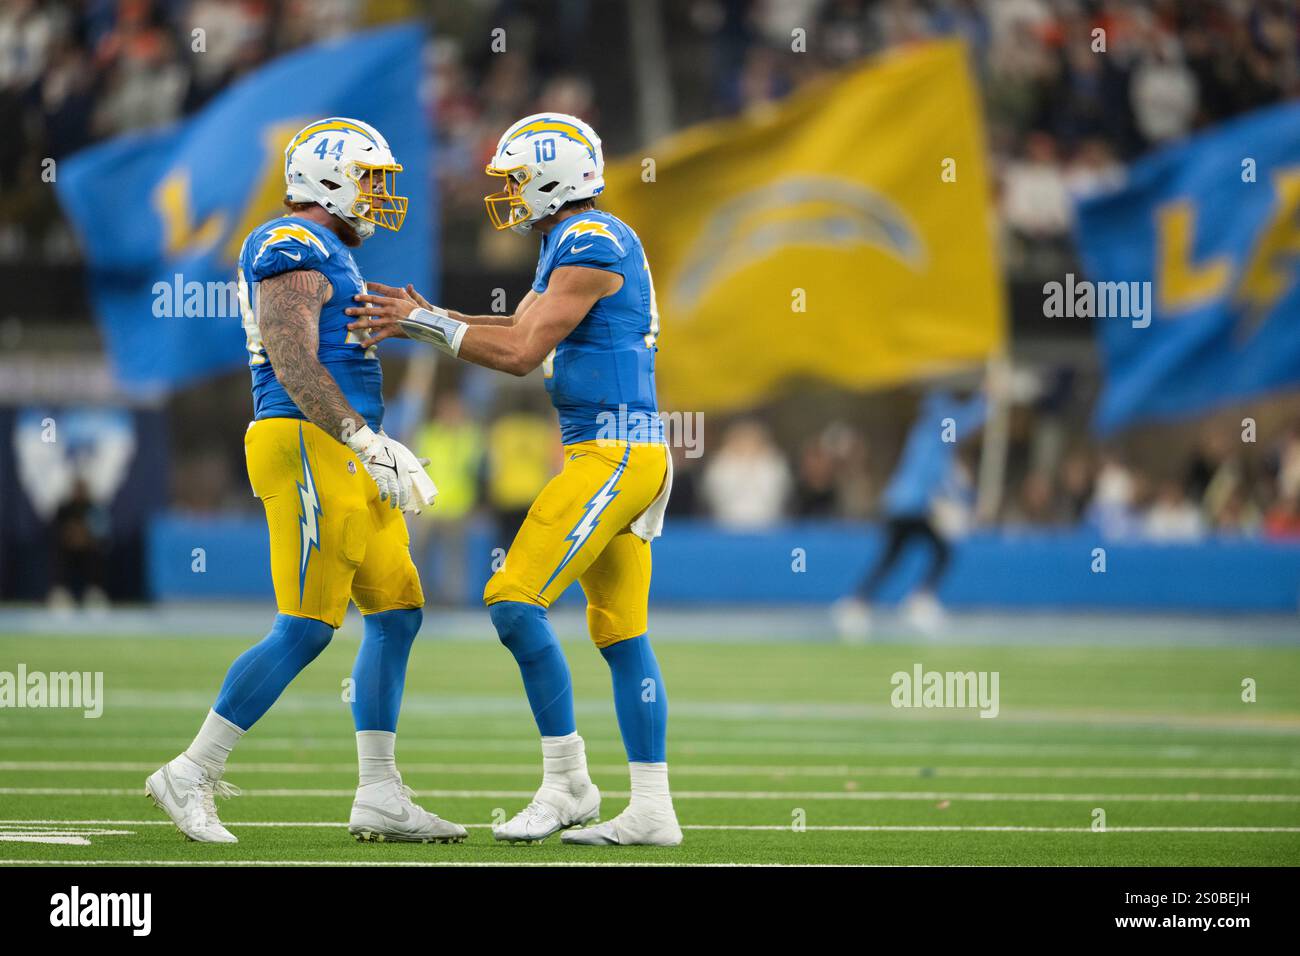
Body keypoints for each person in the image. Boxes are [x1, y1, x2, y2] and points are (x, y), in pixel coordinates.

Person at [347, 112, 680, 847]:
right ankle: (653, 808)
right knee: (621, 636)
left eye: (516, 177)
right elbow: (506, 329)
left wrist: (429, 327)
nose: (508, 192)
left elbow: (523, 353)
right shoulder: (570, 242)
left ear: (556, 175)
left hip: (614, 452)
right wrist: (422, 318)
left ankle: (568, 782)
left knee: (510, 600)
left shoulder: (591, 240)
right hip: (615, 449)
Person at [146, 117, 466, 845]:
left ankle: (381, 793)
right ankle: (190, 771)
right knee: (308, 626)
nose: (380, 195)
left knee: (398, 612)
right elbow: (292, 360)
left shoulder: (332, 256)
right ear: (330, 178)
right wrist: (362, 436)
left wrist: (437, 328)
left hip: (348, 448)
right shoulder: (289, 243)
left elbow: (368, 332)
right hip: (308, 439)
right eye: (371, 178)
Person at [833, 389, 986, 639]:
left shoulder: (925, 434)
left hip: (900, 506)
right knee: (941, 552)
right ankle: (917, 601)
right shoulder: (934, 438)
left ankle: (857, 602)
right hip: (911, 507)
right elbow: (942, 467)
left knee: (894, 557)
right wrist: (986, 399)